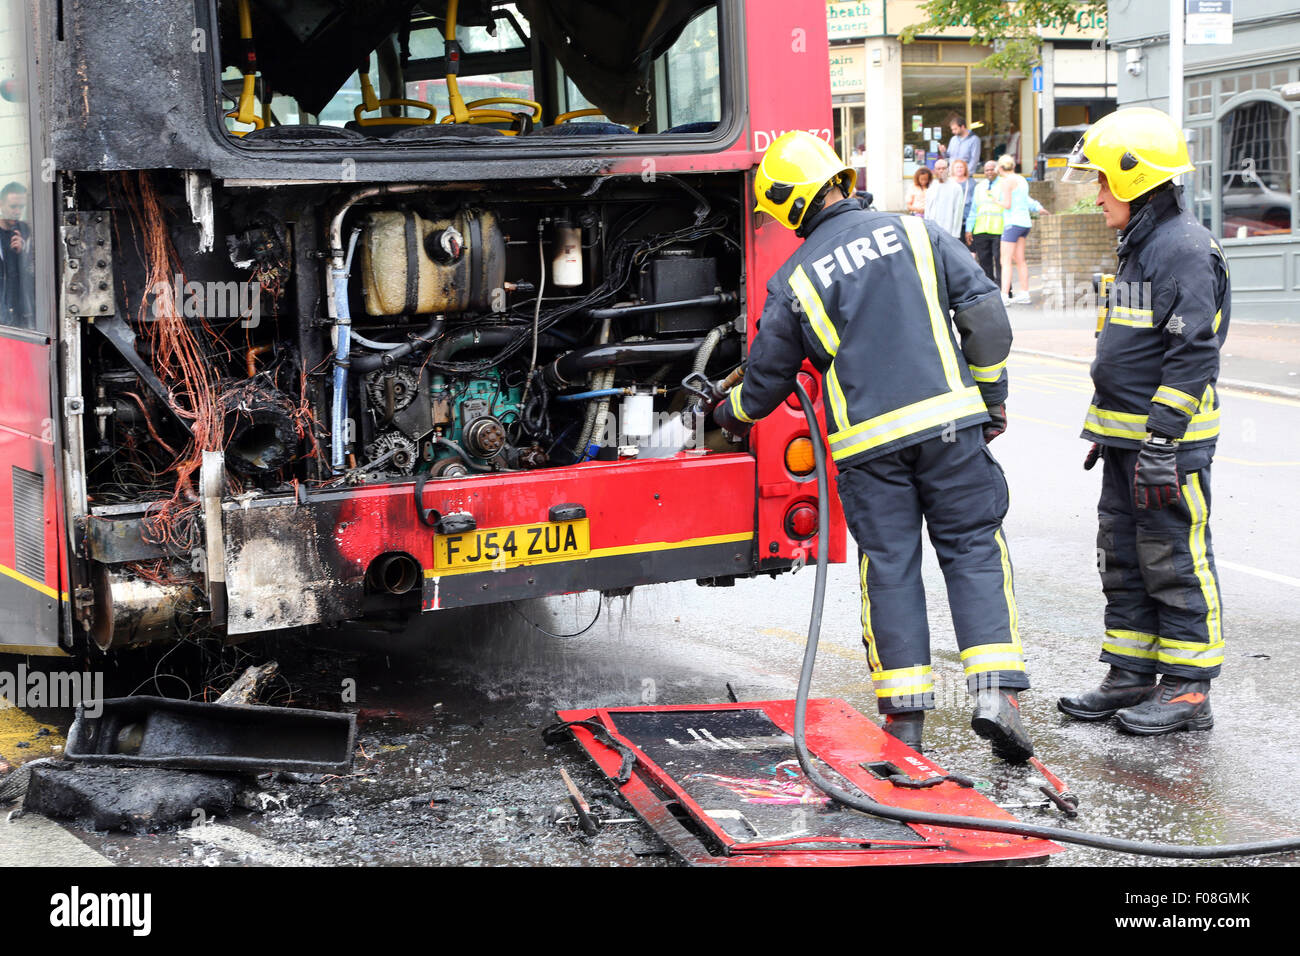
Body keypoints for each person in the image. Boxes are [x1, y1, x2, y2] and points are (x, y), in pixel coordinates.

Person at [714, 131, 1033, 761]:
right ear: (838, 180)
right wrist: (990, 397)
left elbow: (767, 381)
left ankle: (905, 726)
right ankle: (997, 696)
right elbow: (985, 314)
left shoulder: (795, 279)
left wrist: (730, 412)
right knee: (972, 548)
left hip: (869, 451)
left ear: (789, 207)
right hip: (950, 430)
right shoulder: (918, 232)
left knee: (890, 568)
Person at [1056, 108, 1230, 735]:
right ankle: (1131, 675)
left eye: (1103, 180)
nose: (1096, 191)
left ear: (1134, 180)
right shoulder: (1143, 245)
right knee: (1124, 557)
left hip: (1166, 447)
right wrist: (1110, 431)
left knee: (1174, 558)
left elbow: (1193, 355)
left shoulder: (1182, 248)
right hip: (1128, 441)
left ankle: (1187, 691)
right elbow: (1129, 347)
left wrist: (1161, 441)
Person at [995, 155, 1033, 304]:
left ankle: (1004, 295)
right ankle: (1025, 292)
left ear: (1000, 167)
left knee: (1005, 260)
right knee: (1020, 259)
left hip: (1012, 223)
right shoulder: (1021, 179)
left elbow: (1007, 204)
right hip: (1024, 222)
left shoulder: (1007, 181)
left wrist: (995, 200)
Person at [0, 181, 34, 329]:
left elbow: (33, 273)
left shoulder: (25, 230)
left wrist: (23, 253)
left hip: (21, 312)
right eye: (13, 206)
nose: (17, 212)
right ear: (1, 205)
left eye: (21, 207)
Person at [965, 160, 1003, 287]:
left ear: (997, 169)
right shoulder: (979, 187)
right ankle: (990, 288)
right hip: (981, 230)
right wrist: (969, 229)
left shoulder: (1004, 184)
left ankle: (1004, 288)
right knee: (984, 262)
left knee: (1000, 261)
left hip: (999, 229)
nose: (989, 172)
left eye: (992, 169)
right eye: (987, 170)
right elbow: (974, 209)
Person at [924, 158, 964, 239]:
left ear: (948, 170)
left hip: (948, 232)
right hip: (933, 232)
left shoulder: (956, 188)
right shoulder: (932, 187)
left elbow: (958, 213)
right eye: (938, 169)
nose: (941, 171)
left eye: (943, 168)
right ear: (934, 170)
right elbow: (927, 210)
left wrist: (955, 235)